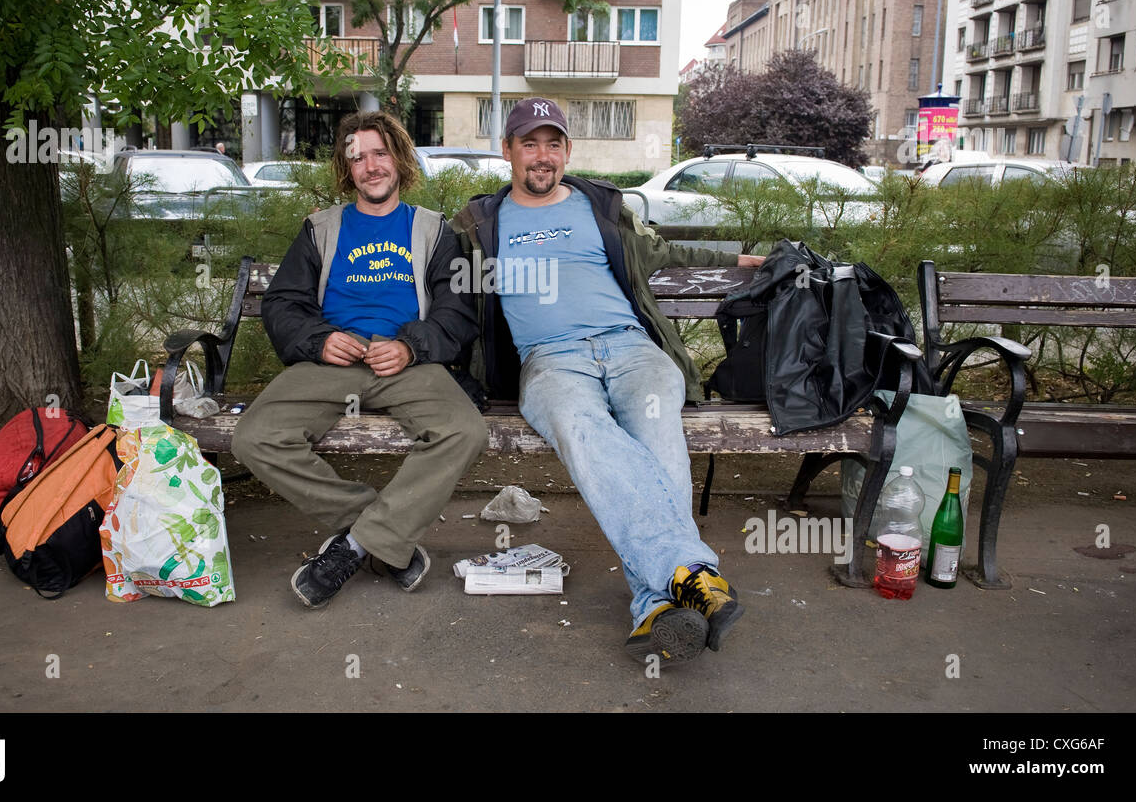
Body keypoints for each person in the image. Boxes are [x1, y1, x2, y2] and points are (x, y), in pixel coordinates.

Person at [451, 98, 764, 664]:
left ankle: (656, 602)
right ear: (508, 152)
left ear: (568, 151)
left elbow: (664, 250)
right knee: (579, 425)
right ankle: (693, 575)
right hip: (551, 360)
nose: (542, 156)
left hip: (630, 349)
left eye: (553, 144)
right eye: (529, 143)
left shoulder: (602, 207)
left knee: (655, 424)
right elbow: (432, 278)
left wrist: (739, 259)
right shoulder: (478, 225)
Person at [233, 110, 488, 608]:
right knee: (253, 437)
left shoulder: (433, 231)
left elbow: (458, 311)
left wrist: (413, 345)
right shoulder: (319, 229)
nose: (371, 166)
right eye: (357, 157)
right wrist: (317, 339)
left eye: (379, 153)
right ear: (346, 169)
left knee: (465, 430)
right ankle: (379, 529)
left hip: (407, 365)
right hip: (332, 364)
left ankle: (351, 546)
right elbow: (284, 304)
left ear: (399, 160)